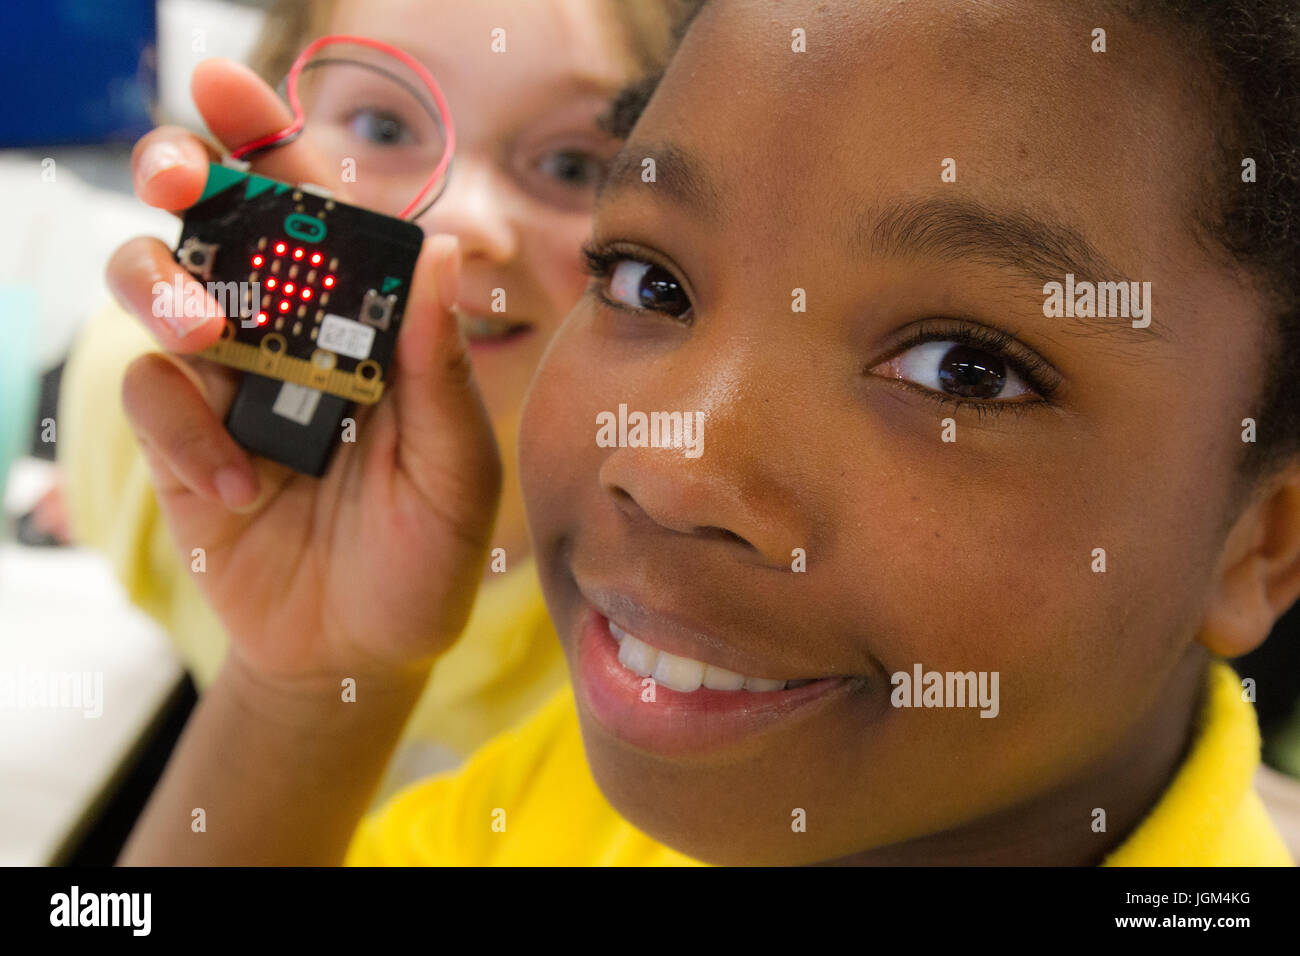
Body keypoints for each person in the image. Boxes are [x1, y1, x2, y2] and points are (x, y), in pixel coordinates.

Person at [115, 0, 1299, 865]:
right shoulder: (572, 801)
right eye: (648, 280)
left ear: (1266, 539)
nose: (672, 467)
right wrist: (313, 684)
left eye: (965, 370)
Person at [58, 0, 680, 785]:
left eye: (572, 166)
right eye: (383, 131)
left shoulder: (670, 599)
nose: (462, 219)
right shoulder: (134, 415)